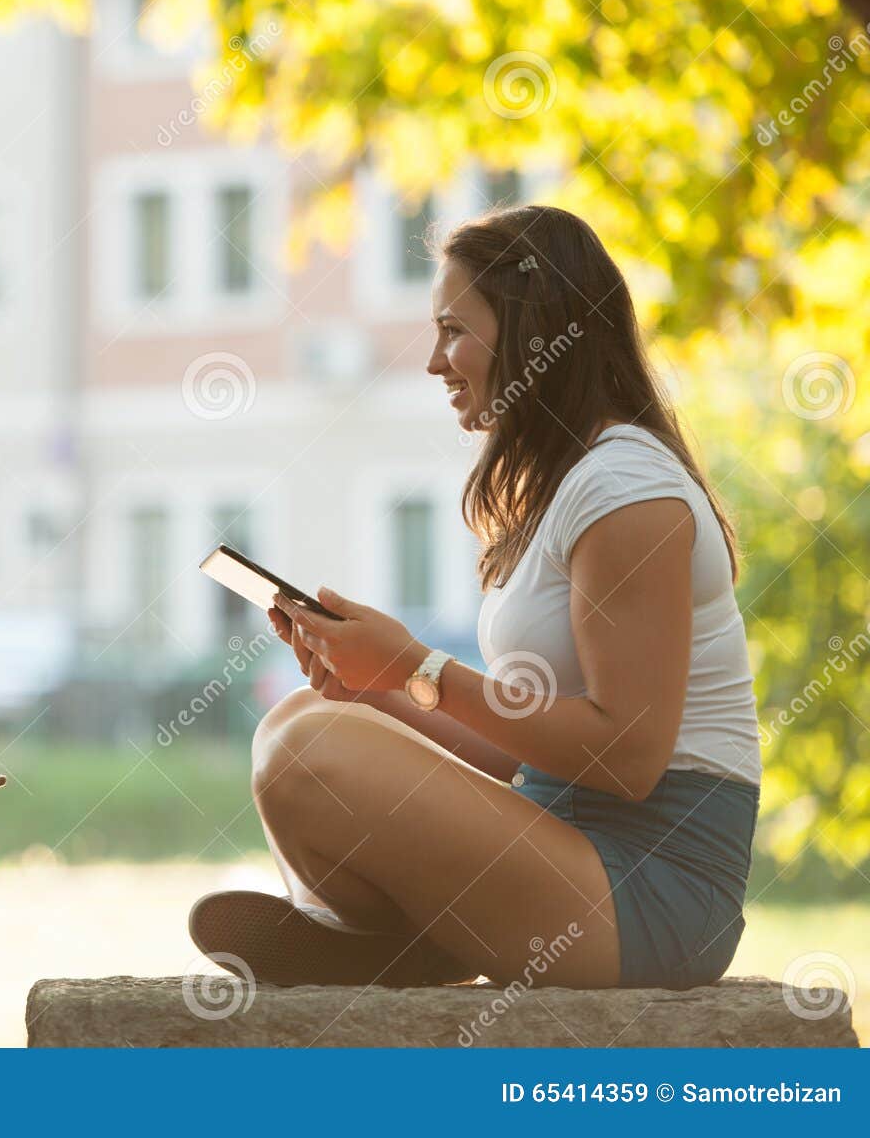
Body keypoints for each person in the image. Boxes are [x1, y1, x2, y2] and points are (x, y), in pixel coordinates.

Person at [190, 204, 761, 993]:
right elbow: (535, 753)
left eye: (453, 329)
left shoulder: (627, 490)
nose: (434, 362)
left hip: (652, 887)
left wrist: (418, 665)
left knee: (307, 754)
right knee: (296, 722)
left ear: (534, 330)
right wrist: (381, 686)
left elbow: (627, 759)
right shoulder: (570, 484)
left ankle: (396, 938)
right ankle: (409, 939)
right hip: (566, 838)